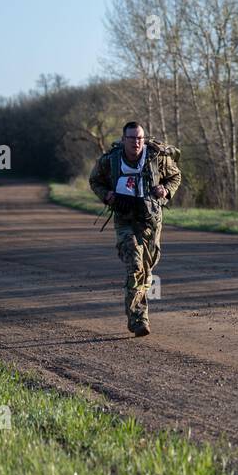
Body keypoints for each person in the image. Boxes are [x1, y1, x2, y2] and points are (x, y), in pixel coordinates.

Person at [88, 122, 182, 336]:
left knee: (147, 270)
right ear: (124, 140)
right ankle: (138, 318)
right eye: (132, 138)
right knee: (135, 265)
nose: (137, 142)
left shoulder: (156, 157)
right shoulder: (110, 161)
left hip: (150, 221)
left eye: (140, 138)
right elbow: (95, 181)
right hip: (125, 221)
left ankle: (138, 306)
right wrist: (106, 195)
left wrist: (165, 190)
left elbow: (175, 176)